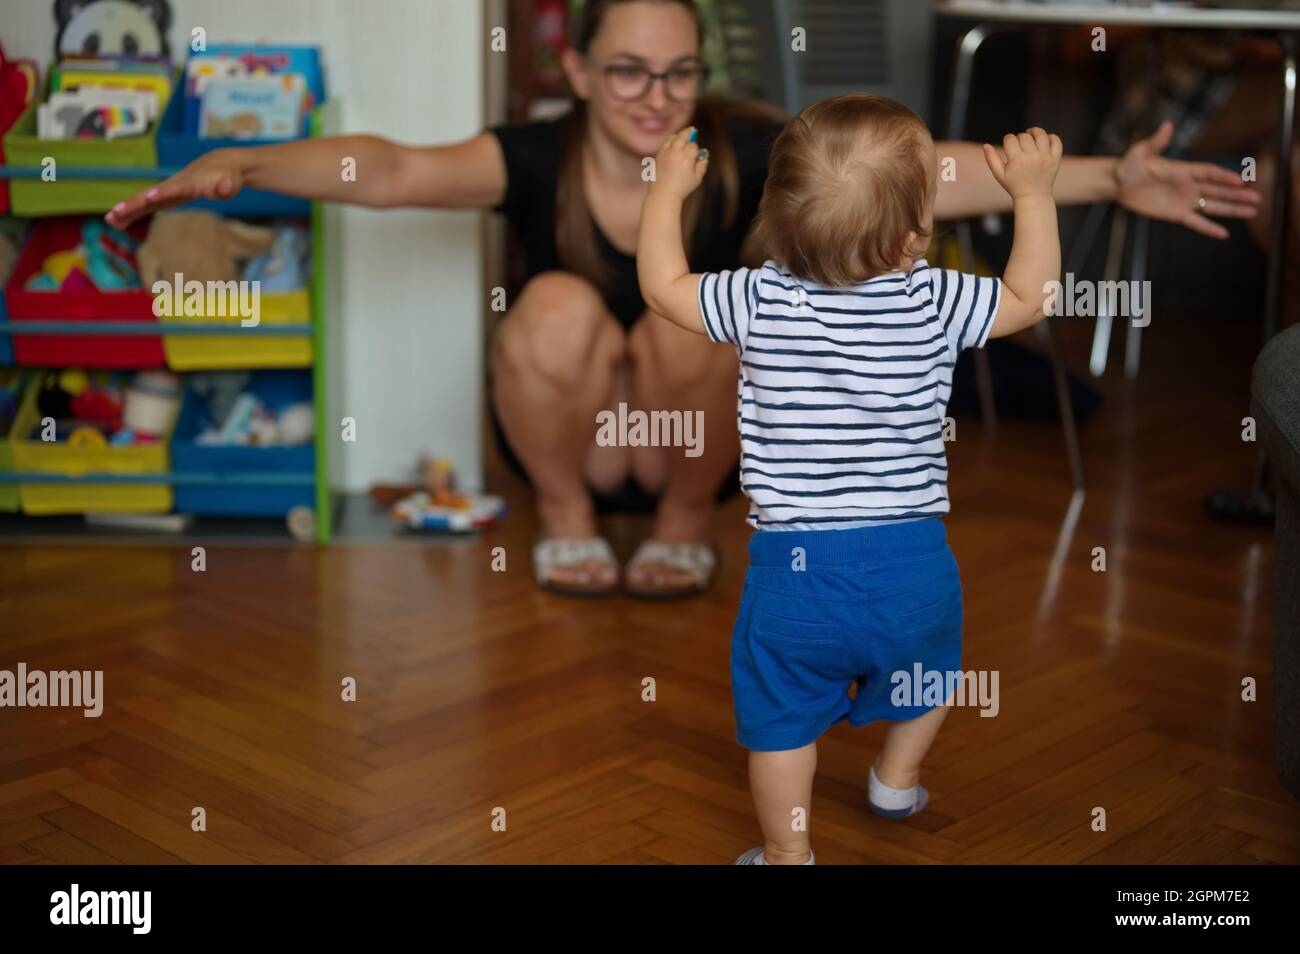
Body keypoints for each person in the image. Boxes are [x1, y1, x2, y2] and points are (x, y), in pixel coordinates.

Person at [105, 0, 1259, 597]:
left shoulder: (751, 149)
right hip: (573, 442)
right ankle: (565, 525)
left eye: (674, 71)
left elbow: (929, 169)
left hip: (689, 460)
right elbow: (390, 168)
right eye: (624, 70)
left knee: (719, 308)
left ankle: (672, 535)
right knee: (554, 305)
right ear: (575, 70)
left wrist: (1105, 176)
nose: (654, 97)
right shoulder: (534, 154)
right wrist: (247, 166)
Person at [637, 95, 1062, 864]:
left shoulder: (757, 299)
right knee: (932, 674)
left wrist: (667, 192)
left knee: (781, 724)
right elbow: (1032, 299)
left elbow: (663, 286)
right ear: (912, 240)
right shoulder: (934, 299)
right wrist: (1031, 195)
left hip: (795, 577)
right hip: (913, 566)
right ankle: (896, 777)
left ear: (778, 214)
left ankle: (788, 852)